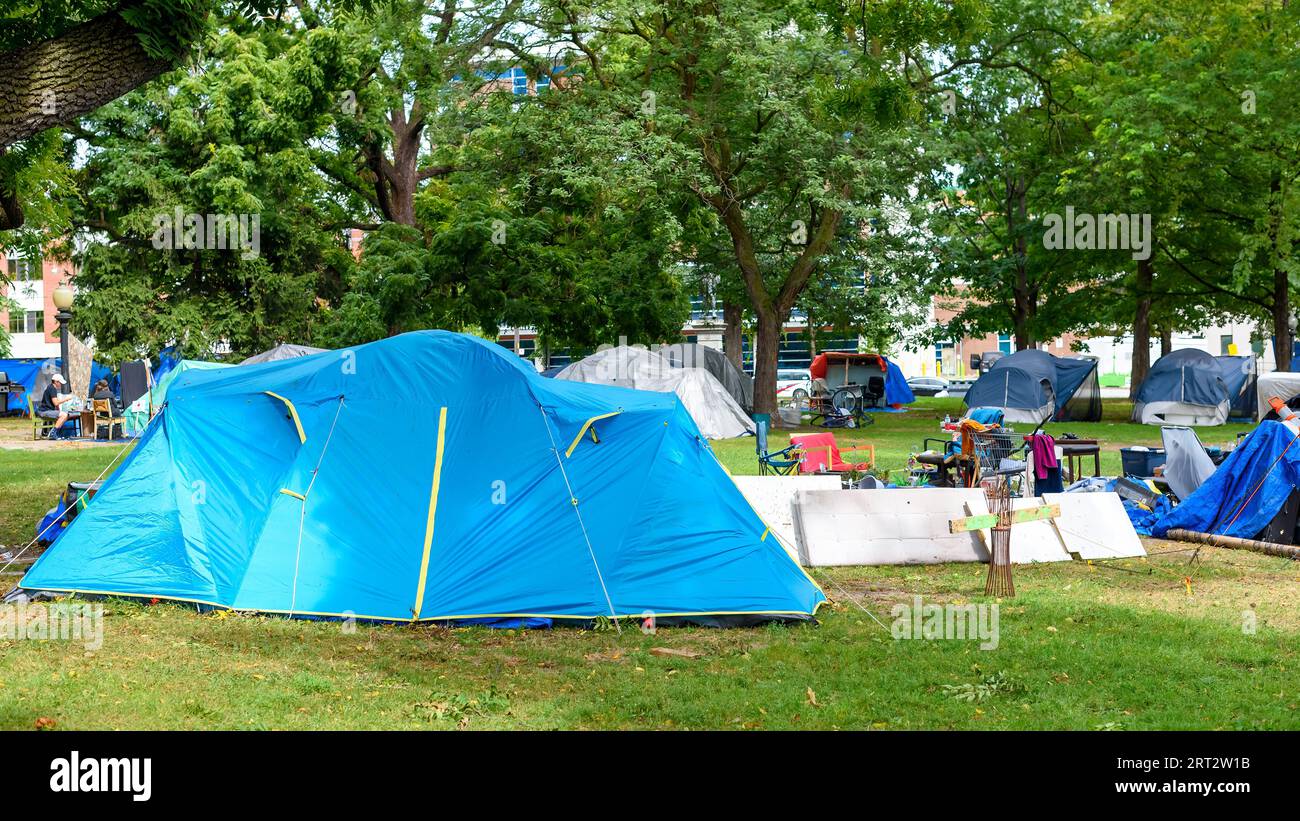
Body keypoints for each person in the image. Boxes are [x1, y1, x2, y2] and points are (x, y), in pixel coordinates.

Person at [38, 373, 74, 440]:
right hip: (44, 411)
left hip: (45, 410)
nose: (61, 384)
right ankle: (53, 433)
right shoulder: (52, 389)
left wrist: (59, 410)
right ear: (56, 382)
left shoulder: (51, 387)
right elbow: (55, 403)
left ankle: (56, 433)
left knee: (66, 415)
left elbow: (56, 404)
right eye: (60, 382)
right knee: (64, 415)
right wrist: (66, 399)